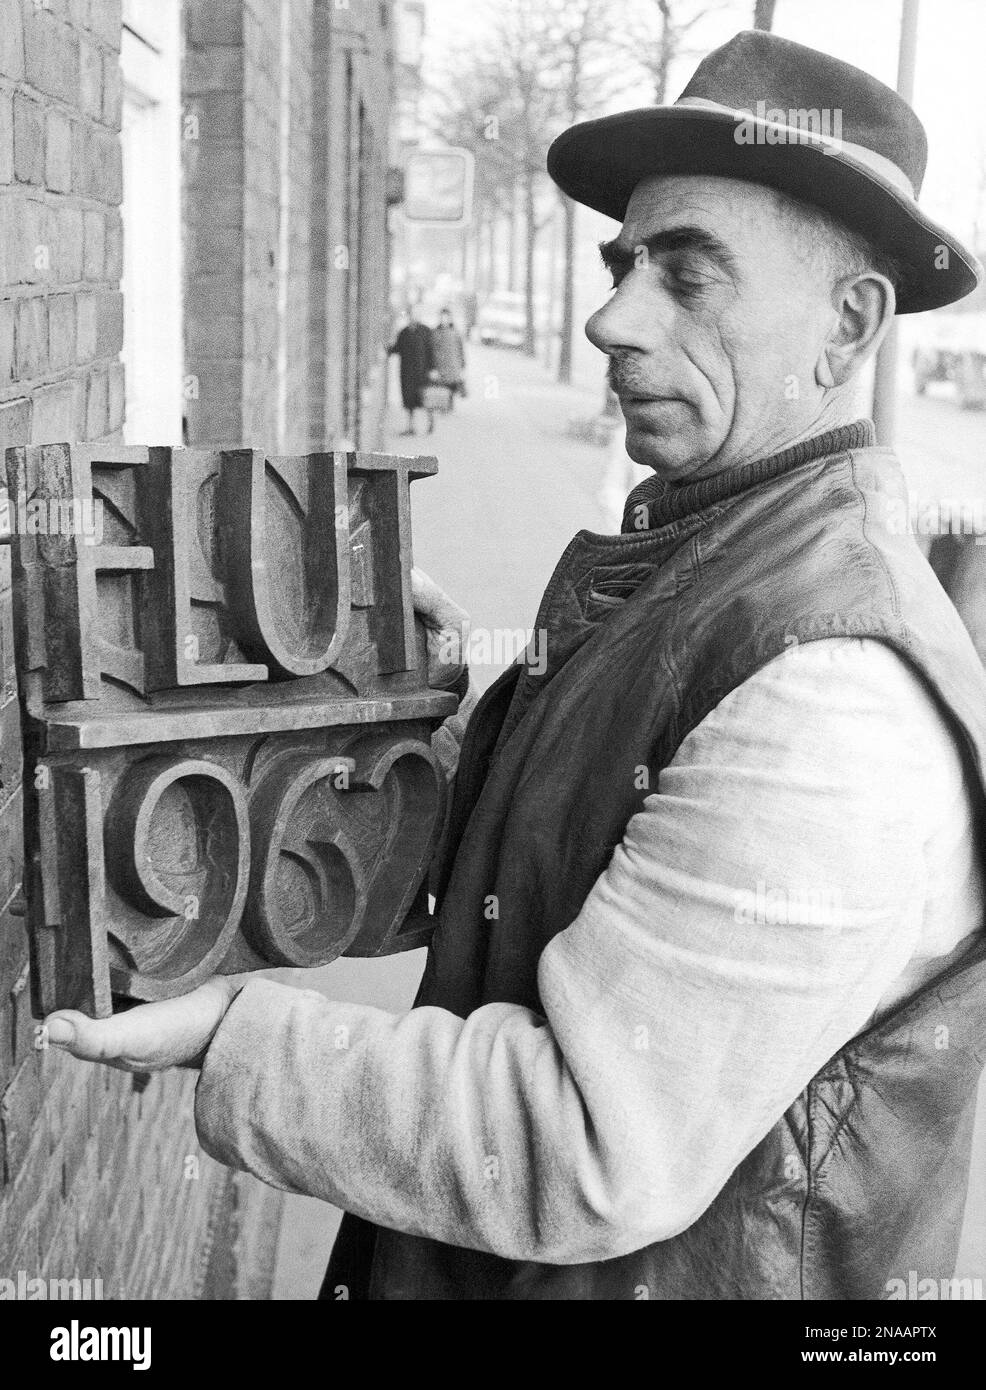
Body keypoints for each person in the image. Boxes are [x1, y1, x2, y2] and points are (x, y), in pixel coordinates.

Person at [43, 32, 986, 1302]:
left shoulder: (830, 688)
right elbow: (544, 874)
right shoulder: (701, 556)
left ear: (847, 324)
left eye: (687, 274)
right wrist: (408, 729)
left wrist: (232, 1037)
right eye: (619, 263)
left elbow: (584, 1139)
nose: (610, 316)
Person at [389, 305, 436, 436]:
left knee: (425, 398)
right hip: (407, 373)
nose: (413, 317)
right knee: (409, 401)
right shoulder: (403, 332)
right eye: (411, 315)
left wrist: (433, 369)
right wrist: (386, 350)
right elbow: (397, 348)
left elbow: (431, 351)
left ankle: (430, 422)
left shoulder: (426, 331)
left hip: (422, 372)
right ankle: (411, 427)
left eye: (416, 314)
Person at [431, 307, 467, 409]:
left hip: (453, 363)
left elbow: (460, 349)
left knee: (452, 384)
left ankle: (449, 402)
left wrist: (462, 363)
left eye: (446, 317)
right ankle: (443, 403)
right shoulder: (435, 332)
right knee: (442, 383)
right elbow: (432, 348)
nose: (444, 319)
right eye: (442, 317)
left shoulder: (455, 332)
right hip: (440, 363)